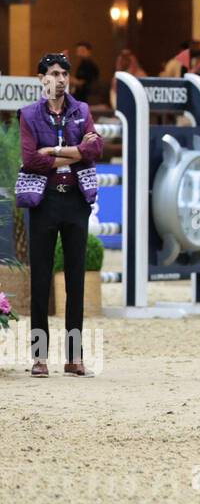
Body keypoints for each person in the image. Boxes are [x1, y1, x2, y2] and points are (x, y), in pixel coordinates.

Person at [16, 53, 104, 377]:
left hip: (76, 201)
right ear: (42, 78)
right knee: (40, 280)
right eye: (54, 73)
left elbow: (95, 149)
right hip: (45, 201)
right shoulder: (29, 115)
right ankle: (39, 358)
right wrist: (76, 152)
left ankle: (74, 357)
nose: (62, 79)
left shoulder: (81, 110)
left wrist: (53, 151)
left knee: (75, 281)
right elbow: (29, 160)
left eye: (65, 73)